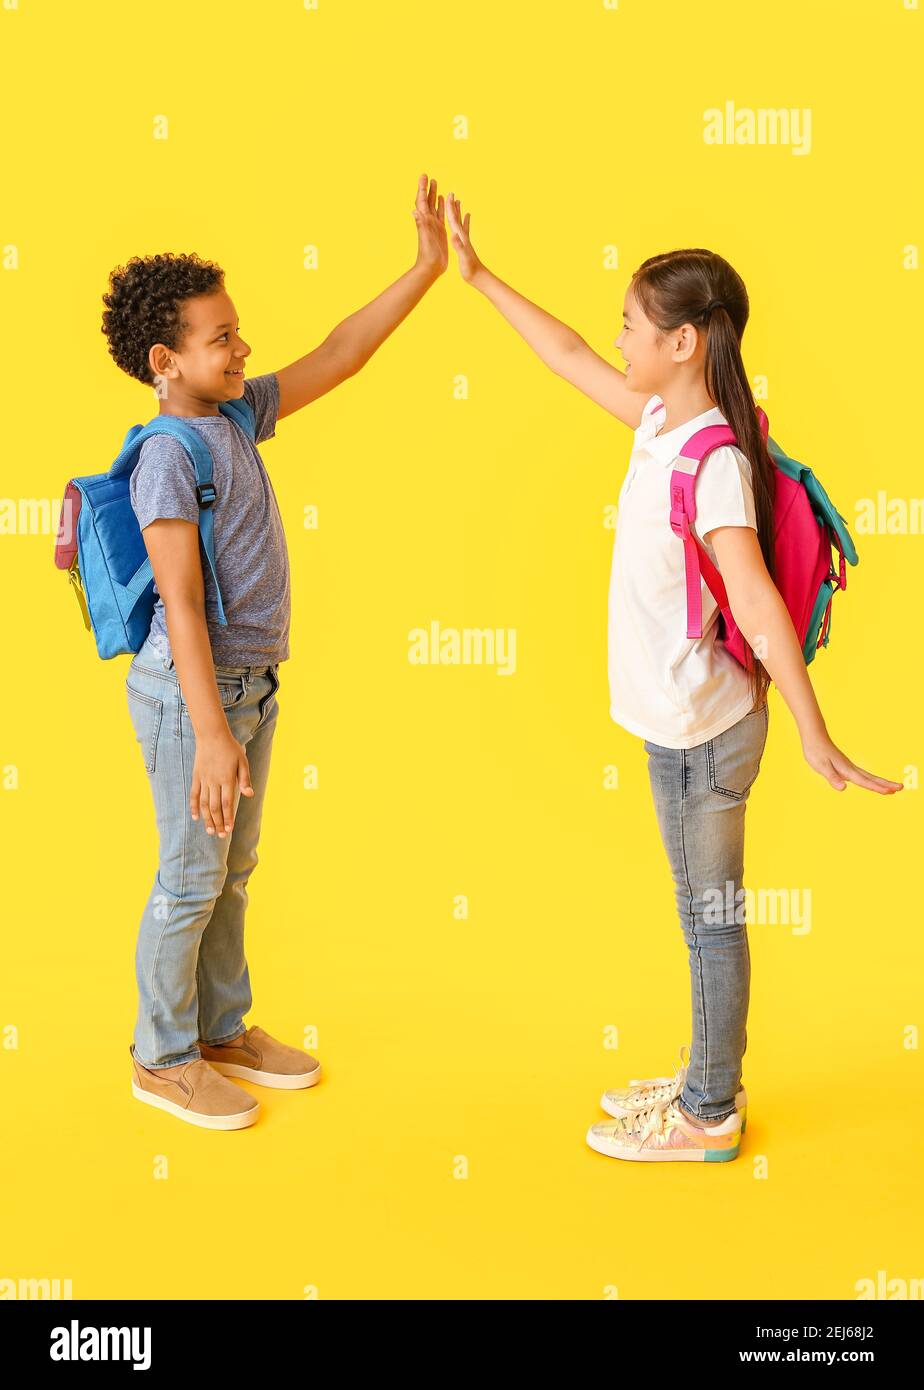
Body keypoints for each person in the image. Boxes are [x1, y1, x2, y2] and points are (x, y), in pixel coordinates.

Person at [444, 200, 904, 1162]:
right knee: (703, 916)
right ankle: (708, 1068)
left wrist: (817, 734)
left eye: (632, 325)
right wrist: (481, 278)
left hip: (705, 735)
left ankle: (706, 1113)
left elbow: (763, 606)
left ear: (683, 342)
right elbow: (568, 354)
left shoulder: (717, 464)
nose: (615, 338)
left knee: (712, 924)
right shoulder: (661, 419)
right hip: (680, 722)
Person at [102, 175, 449, 1130]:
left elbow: (339, 354)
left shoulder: (235, 415)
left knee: (231, 872)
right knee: (188, 878)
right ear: (166, 360)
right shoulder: (171, 454)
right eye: (223, 339)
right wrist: (212, 734)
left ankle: (220, 1029)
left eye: (239, 331)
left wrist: (423, 268)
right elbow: (177, 601)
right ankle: (161, 1056)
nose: (243, 347)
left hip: (250, 691)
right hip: (194, 699)